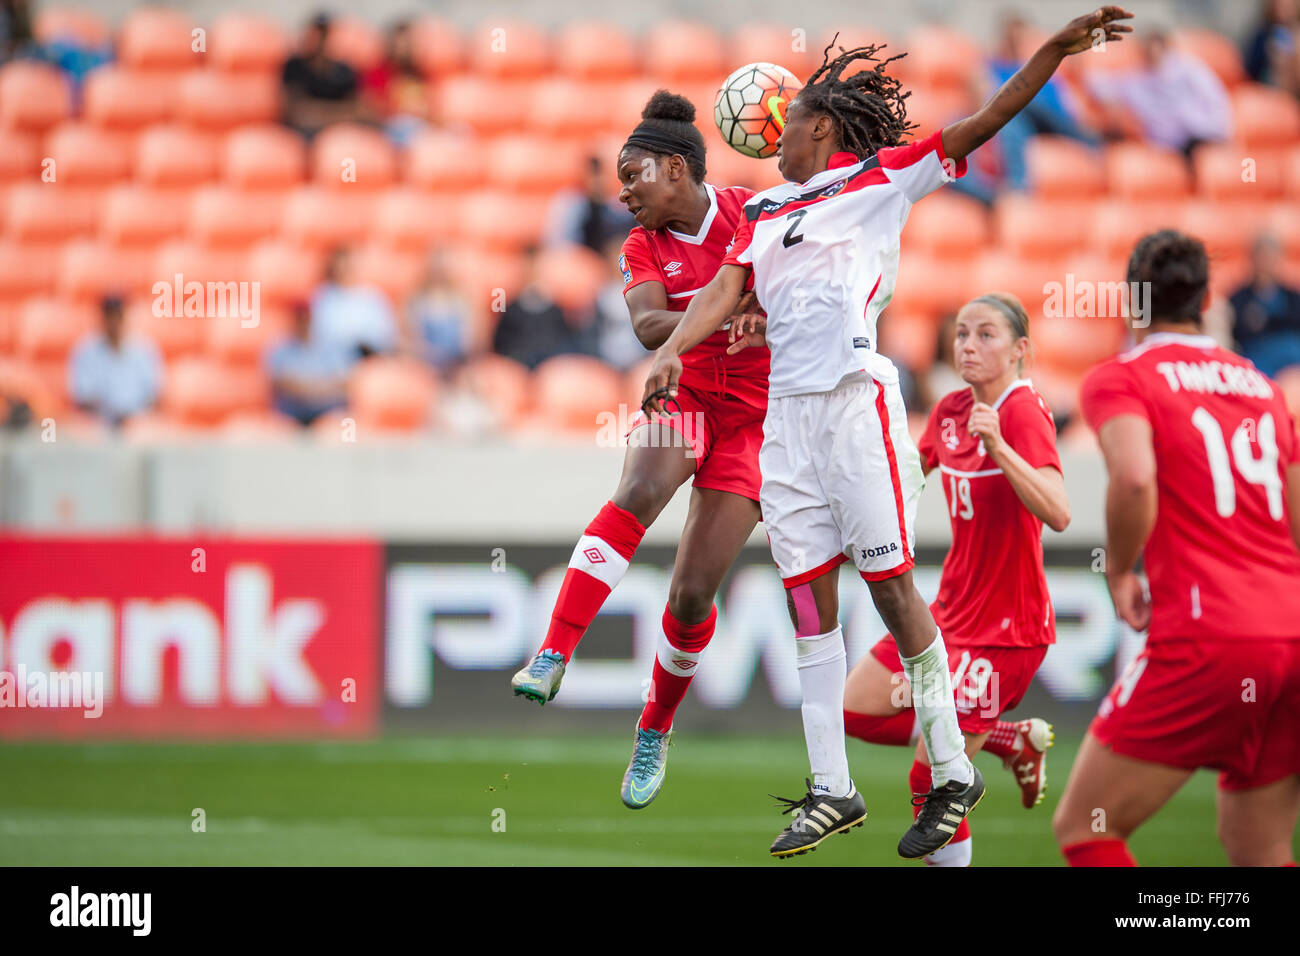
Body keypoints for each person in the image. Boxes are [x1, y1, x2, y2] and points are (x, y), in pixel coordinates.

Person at [643, 6, 1134, 860]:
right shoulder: (760, 212)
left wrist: (1051, 51)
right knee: (807, 607)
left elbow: (984, 121)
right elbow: (725, 292)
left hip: (854, 403)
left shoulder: (882, 179)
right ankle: (832, 788)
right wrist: (673, 354)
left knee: (893, 589)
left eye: (786, 118)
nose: (770, 131)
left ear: (820, 126)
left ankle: (952, 766)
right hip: (787, 423)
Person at [509, 91, 770, 813]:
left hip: (755, 419)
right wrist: (727, 304)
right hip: (684, 391)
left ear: (679, 171)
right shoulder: (640, 246)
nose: (622, 192)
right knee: (638, 493)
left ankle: (654, 727)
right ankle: (556, 650)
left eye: (634, 175)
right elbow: (651, 323)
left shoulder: (755, 213)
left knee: (690, 596)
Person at [1054, 229, 1300, 867]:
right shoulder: (1263, 389)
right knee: (1260, 846)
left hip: (1209, 631)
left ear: (1134, 304)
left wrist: (1119, 573)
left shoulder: (1123, 378)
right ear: (1206, 298)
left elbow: (1135, 477)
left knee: (1085, 827)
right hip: (1291, 635)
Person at [842, 292, 1068, 867]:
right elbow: (906, 478)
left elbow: (1059, 512)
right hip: (948, 615)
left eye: (985, 334)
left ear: (1020, 349)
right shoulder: (949, 410)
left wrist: (999, 447)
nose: (968, 345)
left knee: (932, 775)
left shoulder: (1020, 411)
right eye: (962, 333)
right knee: (855, 709)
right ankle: (1008, 739)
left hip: (1006, 630)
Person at [1084, 28, 1231, 156]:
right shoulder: (1137, 81)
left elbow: (1214, 99)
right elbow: (1100, 84)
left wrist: (1215, 129)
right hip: (1170, 145)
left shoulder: (1190, 69)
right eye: (1150, 52)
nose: (1156, 57)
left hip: (1202, 134)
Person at [491, 244, 593, 369]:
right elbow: (501, 343)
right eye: (528, 265)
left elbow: (567, 341)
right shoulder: (511, 307)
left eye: (535, 264)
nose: (532, 270)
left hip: (550, 367)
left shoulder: (557, 307)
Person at [68, 296, 162, 427]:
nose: (114, 322)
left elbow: (154, 396)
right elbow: (82, 398)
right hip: (98, 423)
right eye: (109, 316)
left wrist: (132, 416)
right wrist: (110, 412)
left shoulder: (143, 349)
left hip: (137, 423)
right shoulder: (86, 351)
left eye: (117, 316)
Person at [267, 299, 350, 426]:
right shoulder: (280, 349)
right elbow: (283, 384)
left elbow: (343, 382)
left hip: (327, 410)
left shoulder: (331, 347)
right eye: (299, 318)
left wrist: (308, 389)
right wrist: (319, 387)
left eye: (306, 318)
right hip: (292, 412)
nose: (303, 322)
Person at [281, 13, 362, 140]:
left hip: (339, 133)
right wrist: (336, 113)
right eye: (316, 34)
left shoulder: (344, 70)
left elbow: (356, 110)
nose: (319, 40)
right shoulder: (294, 66)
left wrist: (320, 113)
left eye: (324, 34)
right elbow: (296, 113)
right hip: (304, 134)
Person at [1229, 234, 1300, 378]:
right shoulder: (1239, 298)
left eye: (1270, 257)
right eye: (1262, 256)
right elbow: (1238, 332)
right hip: (1257, 357)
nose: (1266, 262)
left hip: (1291, 356)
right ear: (1253, 259)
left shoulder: (1293, 296)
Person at [310, 246, 398, 362]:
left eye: (347, 266)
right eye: (340, 266)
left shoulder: (371, 296)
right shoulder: (323, 297)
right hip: (332, 361)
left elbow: (384, 337)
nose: (344, 270)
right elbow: (320, 335)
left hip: (368, 359)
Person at [404, 249, 472, 373]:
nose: (440, 269)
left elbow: (470, 338)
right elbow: (409, 338)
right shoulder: (416, 299)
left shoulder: (462, 300)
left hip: (456, 365)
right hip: (423, 366)